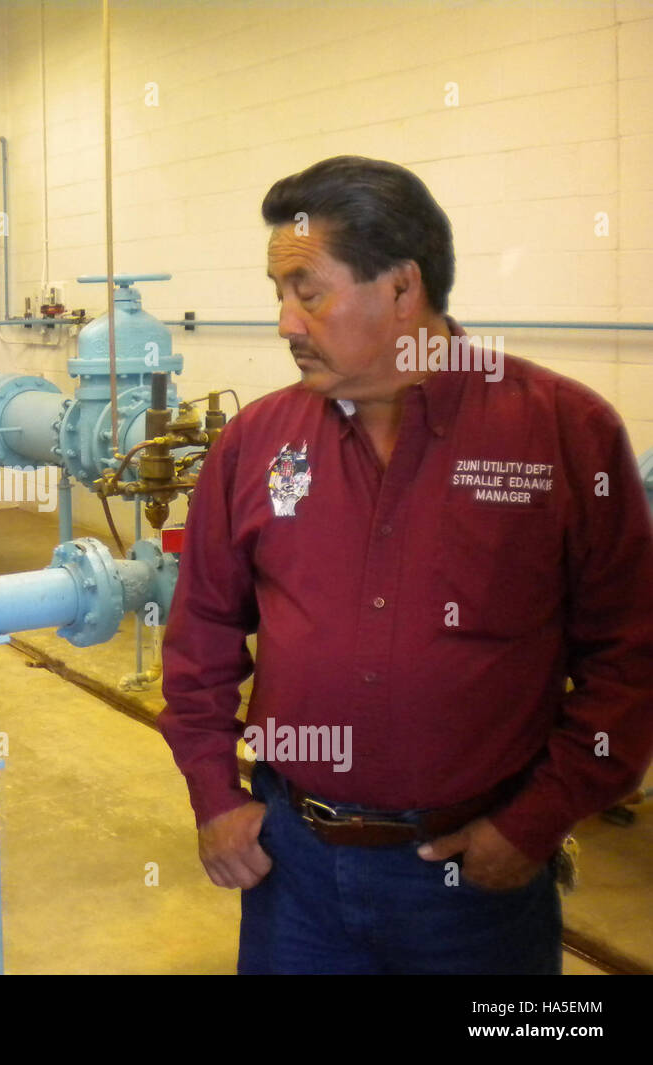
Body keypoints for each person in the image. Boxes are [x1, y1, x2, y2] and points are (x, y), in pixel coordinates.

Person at [160, 155, 653, 975]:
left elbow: (628, 657)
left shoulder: (562, 434)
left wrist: (538, 820)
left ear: (400, 289)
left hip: (480, 880)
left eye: (306, 290)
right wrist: (213, 791)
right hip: (294, 872)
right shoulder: (256, 443)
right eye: (276, 294)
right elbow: (203, 629)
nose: (284, 322)